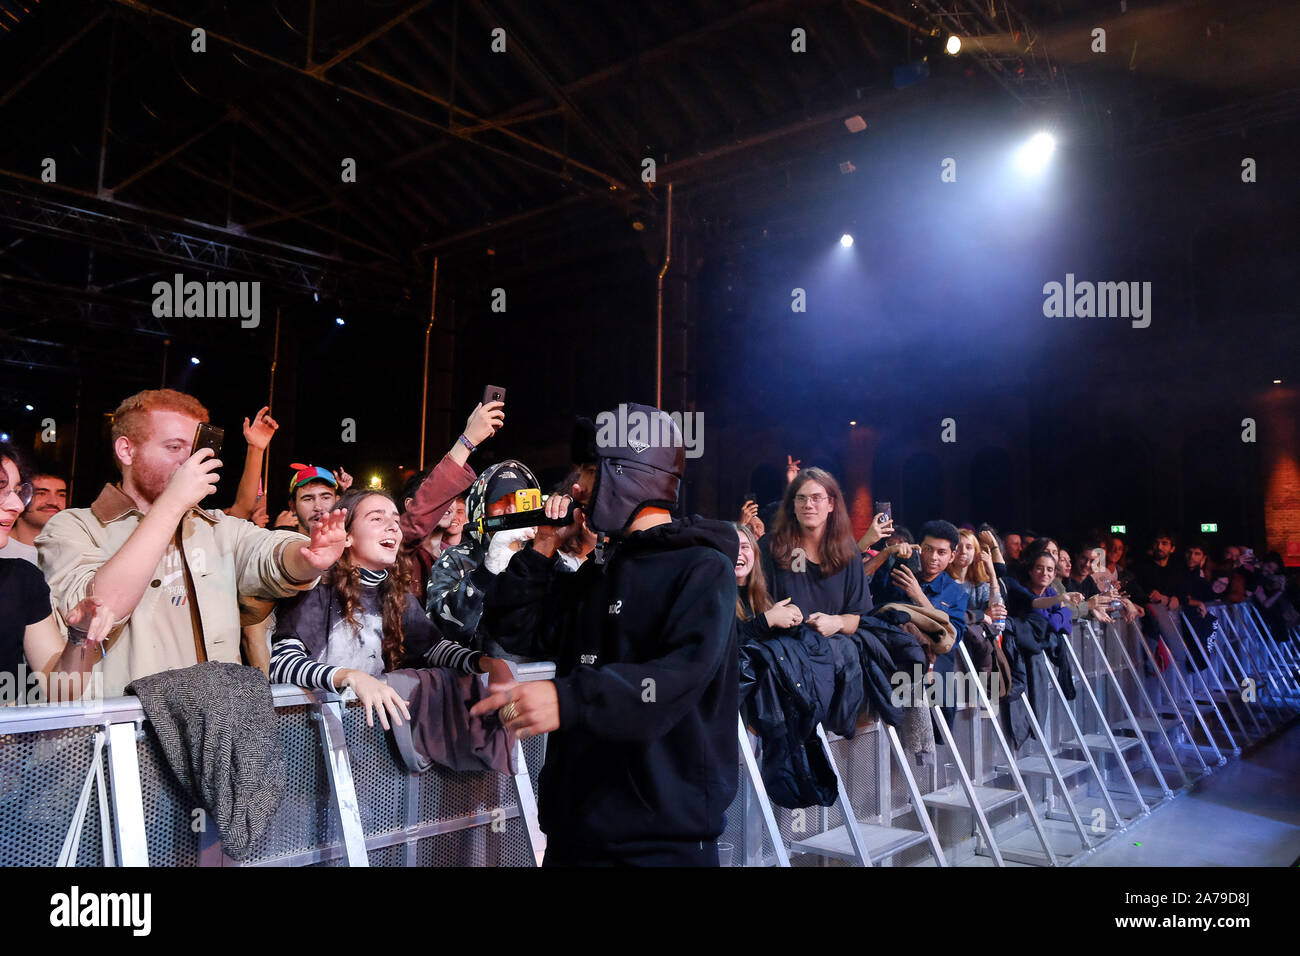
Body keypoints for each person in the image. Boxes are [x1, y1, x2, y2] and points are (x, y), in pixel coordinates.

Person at [476, 402, 739, 867]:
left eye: (590, 472)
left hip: (658, 842)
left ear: (628, 474)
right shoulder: (602, 568)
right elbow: (516, 631)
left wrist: (570, 699)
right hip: (576, 830)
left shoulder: (701, 567)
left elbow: (676, 678)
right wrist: (541, 546)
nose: (577, 486)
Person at [37, 388, 349, 698]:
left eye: (195, 449)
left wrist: (308, 557)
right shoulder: (75, 526)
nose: (189, 461)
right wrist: (173, 502)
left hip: (219, 726)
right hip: (127, 731)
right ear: (126, 451)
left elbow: (267, 552)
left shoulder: (214, 527)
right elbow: (99, 611)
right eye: (174, 447)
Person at [269, 488, 513, 728]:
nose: (392, 527)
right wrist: (351, 676)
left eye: (396, 521)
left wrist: (486, 663)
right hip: (308, 734)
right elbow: (281, 666)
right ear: (347, 536)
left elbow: (434, 649)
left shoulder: (396, 593)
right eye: (376, 518)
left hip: (367, 731)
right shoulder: (317, 587)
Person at [1, 440, 112, 702]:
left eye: (18, 491)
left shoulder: (21, 579)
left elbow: (60, 690)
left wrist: (80, 635)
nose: (16, 504)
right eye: (1, 488)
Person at [397, 400, 505, 600]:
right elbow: (420, 515)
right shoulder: (400, 555)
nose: (447, 502)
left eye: (452, 496)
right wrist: (467, 441)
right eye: (442, 494)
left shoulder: (466, 557)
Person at [759, 467, 870, 639]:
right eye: (801, 498)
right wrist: (775, 614)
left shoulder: (848, 551)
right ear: (793, 505)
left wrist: (836, 622)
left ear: (831, 504)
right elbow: (753, 605)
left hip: (833, 653)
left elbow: (854, 618)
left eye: (816, 498)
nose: (808, 505)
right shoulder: (771, 546)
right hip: (783, 652)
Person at [734, 522, 801, 642]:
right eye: (733, 547)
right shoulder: (715, 595)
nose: (738, 553)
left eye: (744, 547)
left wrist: (792, 619)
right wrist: (768, 619)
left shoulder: (761, 591)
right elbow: (725, 644)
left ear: (755, 554)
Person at [0, 469, 66, 565]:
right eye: (41, 493)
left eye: (61, 495)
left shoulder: (73, 550)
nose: (54, 502)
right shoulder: (2, 546)